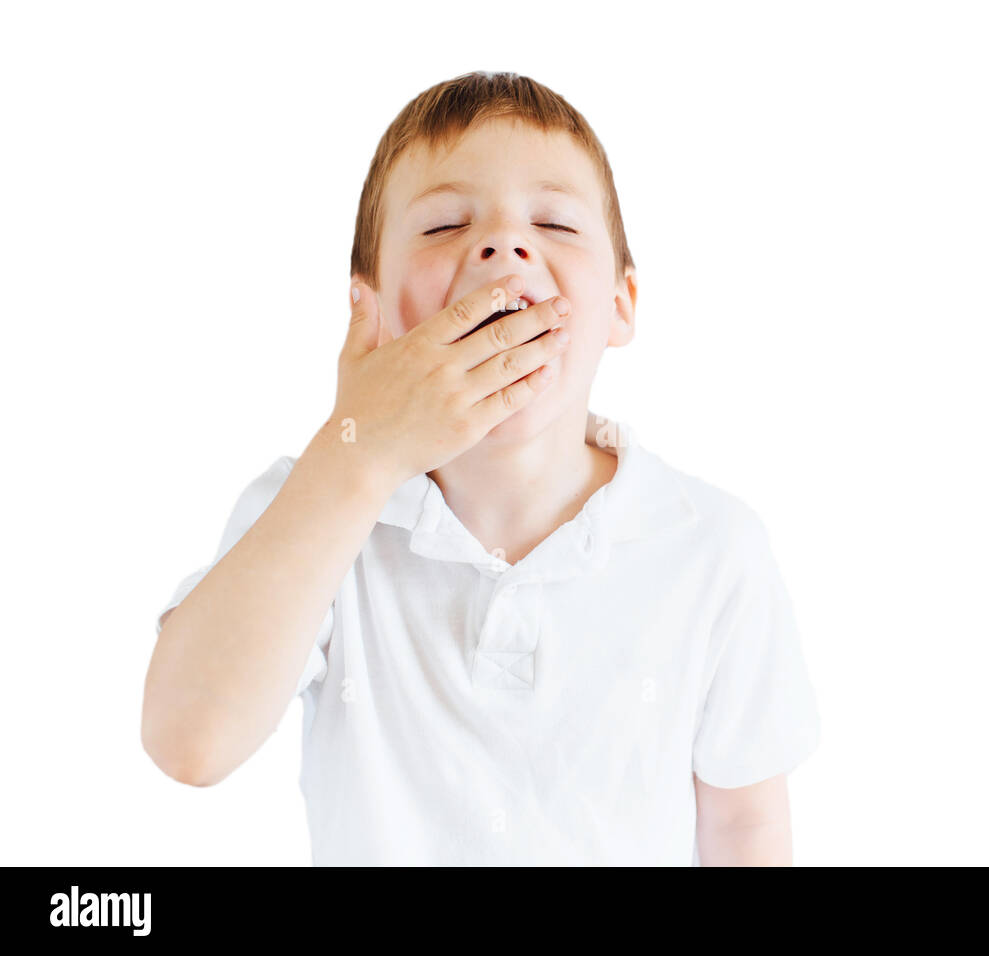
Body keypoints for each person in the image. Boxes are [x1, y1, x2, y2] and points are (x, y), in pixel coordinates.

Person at [143, 71, 820, 866]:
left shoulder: (711, 548)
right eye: (445, 226)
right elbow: (188, 742)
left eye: (556, 222)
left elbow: (746, 826)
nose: (503, 244)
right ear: (373, 311)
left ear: (621, 305)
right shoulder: (318, 508)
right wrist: (360, 450)